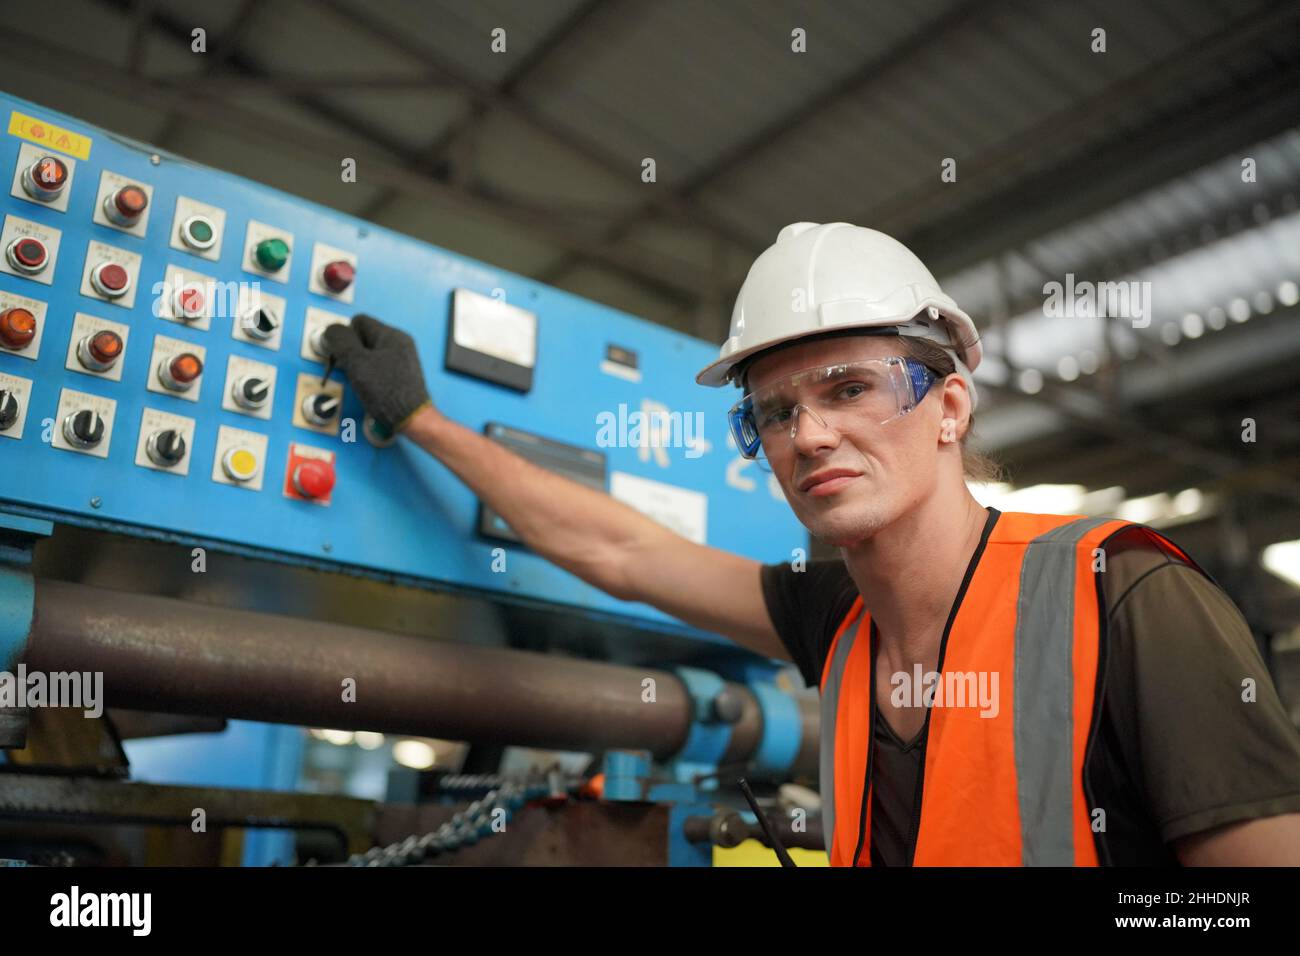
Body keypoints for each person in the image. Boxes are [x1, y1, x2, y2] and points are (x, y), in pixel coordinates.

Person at [322, 221, 1300, 866]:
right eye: (775, 410)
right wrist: (421, 420)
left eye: (847, 388)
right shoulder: (834, 616)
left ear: (948, 404)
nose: (808, 434)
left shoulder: (1119, 593)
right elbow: (623, 552)